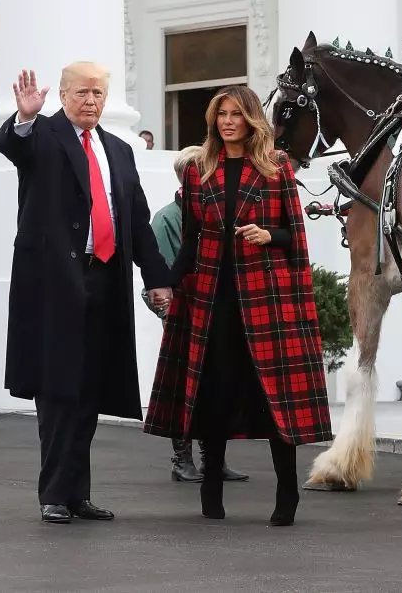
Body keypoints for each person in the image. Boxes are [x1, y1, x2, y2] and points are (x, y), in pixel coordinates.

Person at [143, 85, 332, 526]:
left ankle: (287, 493)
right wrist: (165, 282)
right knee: (214, 396)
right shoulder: (198, 171)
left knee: (275, 399)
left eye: (235, 114)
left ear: (251, 119)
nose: (227, 121)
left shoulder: (276, 167)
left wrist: (269, 236)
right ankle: (210, 489)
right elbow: (189, 241)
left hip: (266, 299)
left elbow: (294, 235)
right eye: (221, 115)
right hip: (211, 301)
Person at [0, 64, 173, 525]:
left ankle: (77, 494)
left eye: (98, 93)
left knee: (90, 388)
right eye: (82, 92)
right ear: (65, 94)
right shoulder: (43, 137)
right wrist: (25, 118)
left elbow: (137, 220)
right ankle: (53, 493)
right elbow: (12, 146)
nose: (91, 100)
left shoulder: (119, 149)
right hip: (55, 282)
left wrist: (156, 277)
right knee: (58, 390)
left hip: (105, 279)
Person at [144, 144, 249, 484]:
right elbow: (157, 276)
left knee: (216, 388)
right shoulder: (167, 219)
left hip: (216, 313)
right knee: (183, 390)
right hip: (185, 315)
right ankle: (182, 459)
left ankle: (212, 460)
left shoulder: (217, 212)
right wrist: (168, 308)